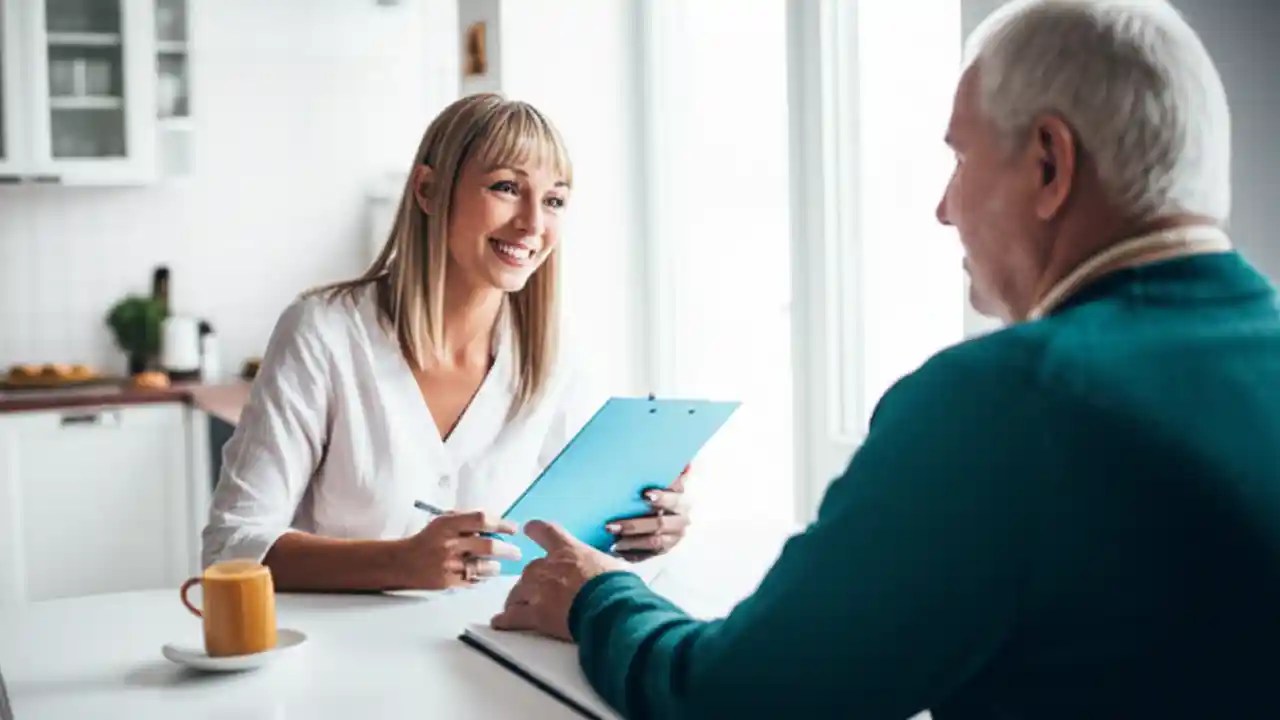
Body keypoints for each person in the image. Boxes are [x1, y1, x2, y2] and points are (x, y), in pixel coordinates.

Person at [490, 1, 1280, 716]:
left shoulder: (1005, 401)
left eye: (961, 159)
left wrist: (601, 598)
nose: (945, 208)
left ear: (1049, 163)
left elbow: (744, 700)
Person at [201, 94, 691, 591]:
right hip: (346, 660)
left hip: (501, 650)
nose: (532, 224)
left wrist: (639, 531)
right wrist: (398, 563)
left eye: (554, 201)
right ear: (429, 190)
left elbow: (571, 539)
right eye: (506, 187)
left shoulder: (559, 351)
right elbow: (231, 545)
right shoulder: (323, 333)